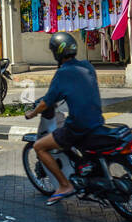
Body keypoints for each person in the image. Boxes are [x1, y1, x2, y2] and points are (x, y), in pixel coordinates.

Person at [23, 32, 105, 206]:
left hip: (78, 127)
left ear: (56, 53)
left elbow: (46, 102)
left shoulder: (62, 73)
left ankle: (65, 185)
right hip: (98, 122)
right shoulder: (88, 66)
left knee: (39, 146)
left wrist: (32, 113)